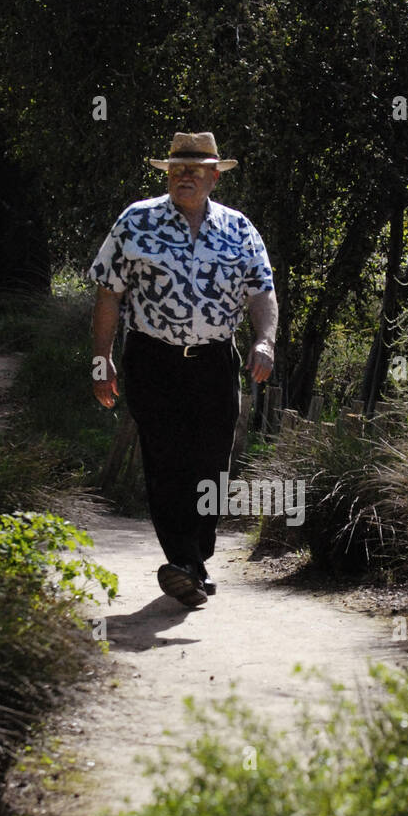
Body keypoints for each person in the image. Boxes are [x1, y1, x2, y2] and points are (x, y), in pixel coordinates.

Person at [89, 131, 278, 608]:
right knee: (165, 459)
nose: (185, 176)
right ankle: (184, 562)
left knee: (213, 461)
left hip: (215, 360)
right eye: (177, 169)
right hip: (153, 359)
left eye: (196, 169)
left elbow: (261, 292)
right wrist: (101, 358)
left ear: (215, 176)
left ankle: (194, 559)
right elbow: (108, 291)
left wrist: (265, 340)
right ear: (167, 175)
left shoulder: (239, 229)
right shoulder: (137, 222)